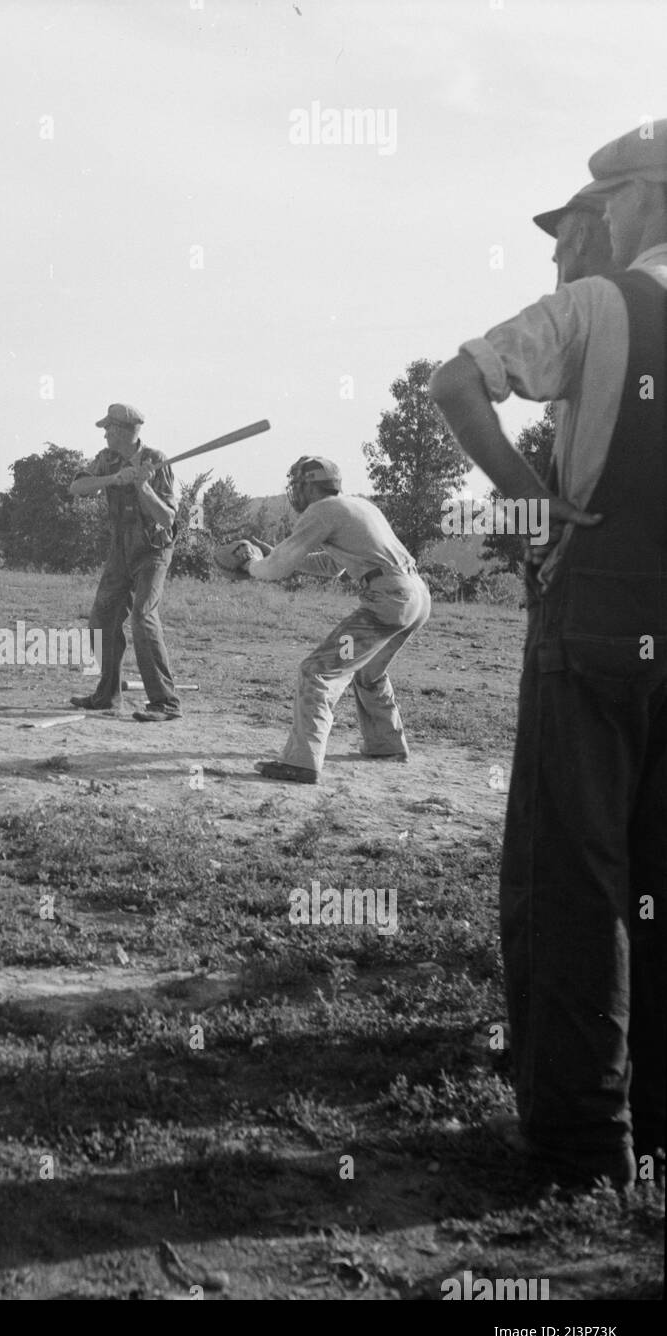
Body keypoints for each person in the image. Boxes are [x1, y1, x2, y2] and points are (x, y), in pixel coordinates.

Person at [429, 119, 667, 1190]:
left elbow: (455, 382)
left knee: (574, 873)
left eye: (606, 204)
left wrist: (529, 494)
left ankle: (579, 1144)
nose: (597, 224)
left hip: (601, 615)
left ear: (642, 197)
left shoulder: (603, 303)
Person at [217, 456, 430, 784]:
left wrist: (250, 565)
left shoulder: (322, 510)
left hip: (388, 600)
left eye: (297, 485)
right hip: (415, 597)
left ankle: (302, 762)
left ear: (308, 485)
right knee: (369, 671)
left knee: (317, 670)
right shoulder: (355, 506)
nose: (295, 493)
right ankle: (386, 744)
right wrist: (277, 553)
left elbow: (275, 569)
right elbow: (332, 567)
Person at [68, 403, 182, 721]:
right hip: (121, 550)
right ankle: (107, 696)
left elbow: (167, 517)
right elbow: (76, 487)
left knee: (143, 618)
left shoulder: (156, 461)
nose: (104, 433)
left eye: (108, 428)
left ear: (122, 430)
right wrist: (115, 478)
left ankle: (165, 703)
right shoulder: (107, 460)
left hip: (152, 550)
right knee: (101, 620)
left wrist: (142, 486)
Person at [534, 187, 617, 287]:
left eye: (560, 234)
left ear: (581, 238)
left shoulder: (573, 302)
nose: (554, 258)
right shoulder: (634, 297)